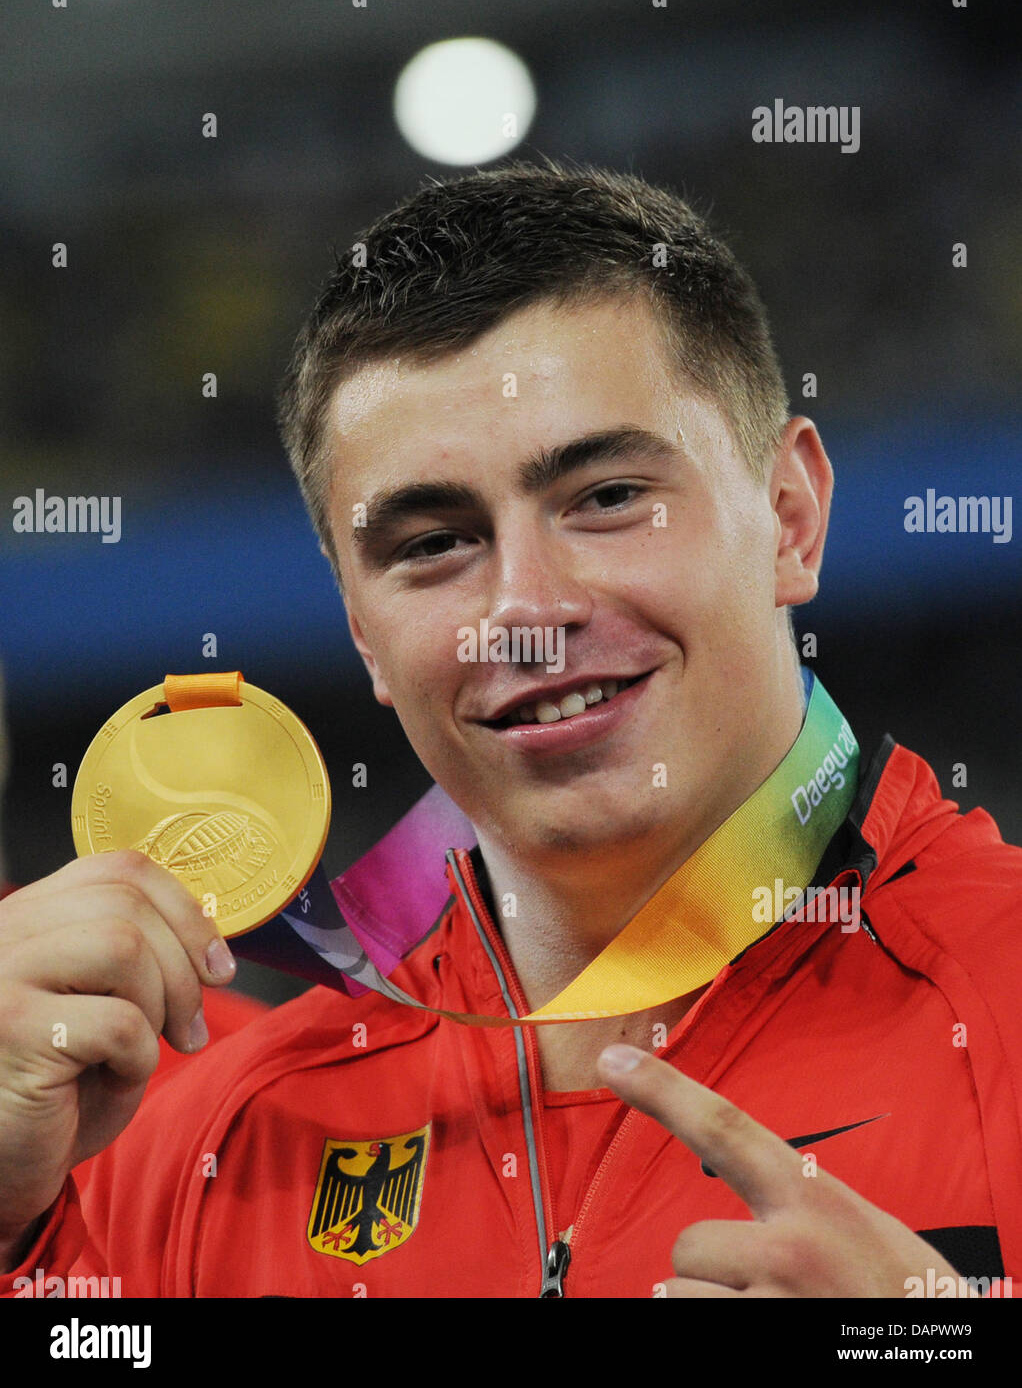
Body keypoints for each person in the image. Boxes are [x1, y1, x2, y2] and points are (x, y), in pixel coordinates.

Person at [2, 158, 1020, 1299]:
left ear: (788, 518)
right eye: (433, 542)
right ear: (363, 635)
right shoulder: (199, 1147)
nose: (524, 613)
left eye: (606, 496)